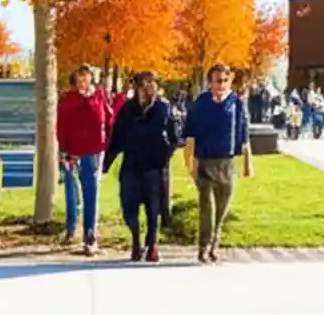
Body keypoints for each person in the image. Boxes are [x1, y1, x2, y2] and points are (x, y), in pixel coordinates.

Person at [103, 71, 179, 263]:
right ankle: (136, 240)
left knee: (154, 210)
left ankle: (152, 244)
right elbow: (117, 137)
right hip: (132, 165)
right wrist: (106, 162)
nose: (147, 89)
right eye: (143, 86)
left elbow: (174, 137)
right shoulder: (128, 109)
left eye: (151, 84)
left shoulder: (164, 109)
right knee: (129, 208)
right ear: (136, 89)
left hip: (155, 167)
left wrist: (165, 155)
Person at [183, 63, 252, 264]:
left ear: (229, 81)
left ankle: (214, 244)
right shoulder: (201, 104)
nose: (221, 85)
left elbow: (243, 135)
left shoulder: (236, 103)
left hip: (227, 162)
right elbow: (190, 135)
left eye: (224, 81)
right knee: (207, 207)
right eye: (217, 81)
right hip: (205, 162)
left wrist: (247, 163)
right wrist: (190, 162)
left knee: (222, 209)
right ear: (210, 82)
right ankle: (203, 247)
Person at [56, 64, 114, 255]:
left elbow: (108, 119)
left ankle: (90, 236)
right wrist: (63, 150)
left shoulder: (100, 95)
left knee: (91, 192)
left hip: (94, 151)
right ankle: (71, 227)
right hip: (72, 152)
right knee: (72, 191)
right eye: (79, 76)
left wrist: (106, 145)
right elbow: (61, 124)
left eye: (86, 76)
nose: (83, 80)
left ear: (91, 78)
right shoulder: (69, 99)